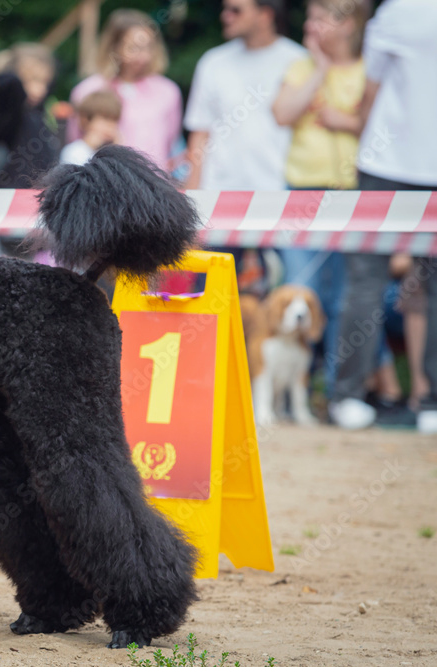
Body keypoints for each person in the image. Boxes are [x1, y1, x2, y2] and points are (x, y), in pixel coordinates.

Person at [328, 0, 437, 433]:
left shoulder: (395, 12)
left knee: (365, 282)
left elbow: (369, 95)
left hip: (386, 163)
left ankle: (347, 397)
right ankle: (430, 403)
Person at [271, 0, 367, 410]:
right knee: (299, 290)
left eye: (320, 17)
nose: (309, 24)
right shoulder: (301, 67)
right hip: (302, 189)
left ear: (347, 24)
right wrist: (321, 68)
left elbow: (377, 123)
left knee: (346, 294)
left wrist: (340, 120)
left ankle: (337, 391)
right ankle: (296, 389)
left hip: (351, 192)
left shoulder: (369, 70)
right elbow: (282, 112)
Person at [183, 0, 304, 191]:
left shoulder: (298, 61)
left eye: (236, 10)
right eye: (225, 9)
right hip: (218, 189)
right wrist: (192, 192)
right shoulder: (212, 63)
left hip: (279, 190)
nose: (225, 16)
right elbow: (200, 132)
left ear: (265, 15)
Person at [68, 9, 181, 172]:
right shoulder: (87, 90)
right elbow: (77, 143)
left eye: (148, 47)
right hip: (106, 184)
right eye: (133, 48)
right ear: (114, 47)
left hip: (155, 186)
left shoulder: (168, 91)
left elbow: (171, 142)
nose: (144, 56)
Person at [60, 90, 121, 166]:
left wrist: (118, 149)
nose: (111, 125)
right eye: (106, 119)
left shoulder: (115, 148)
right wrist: (89, 146)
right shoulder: (73, 151)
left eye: (115, 120)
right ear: (86, 120)